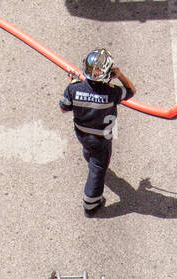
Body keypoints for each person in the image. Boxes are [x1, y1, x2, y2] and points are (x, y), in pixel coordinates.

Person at [59, 48, 136, 217]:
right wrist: (120, 75)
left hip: (82, 134)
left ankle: (90, 158)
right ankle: (91, 203)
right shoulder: (112, 91)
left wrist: (71, 84)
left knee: (90, 152)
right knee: (98, 168)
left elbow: (64, 108)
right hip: (102, 137)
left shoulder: (74, 89)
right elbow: (131, 91)